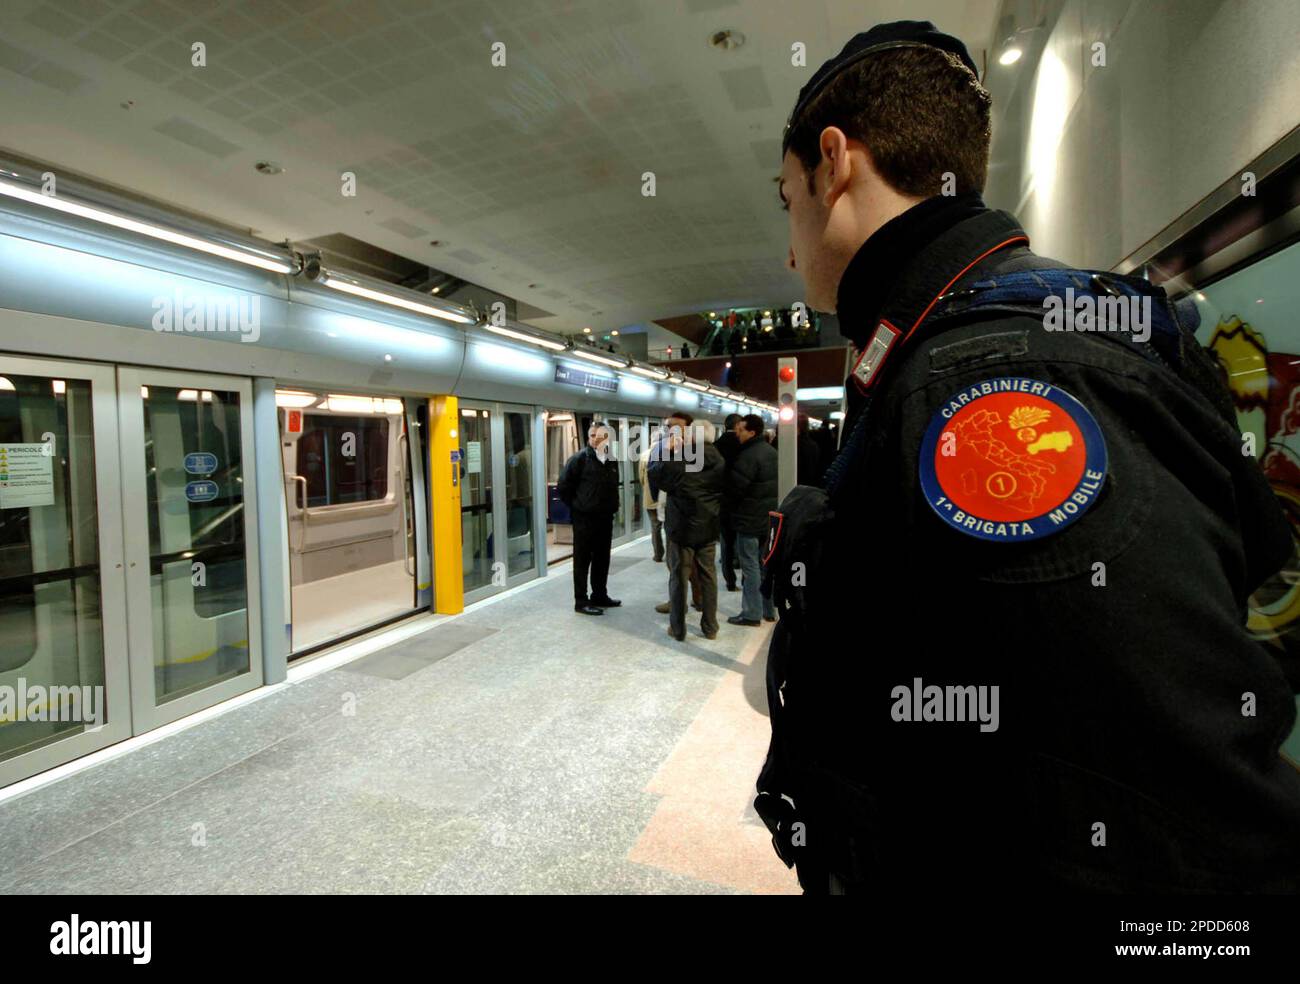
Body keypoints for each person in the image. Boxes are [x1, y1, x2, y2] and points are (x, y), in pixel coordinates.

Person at [756, 20, 1300, 894]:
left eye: (789, 200)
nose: (789, 251)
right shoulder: (962, 343)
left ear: (834, 163)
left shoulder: (1000, 380)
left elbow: (1171, 820)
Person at [648, 419, 724, 641]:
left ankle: (678, 628)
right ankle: (710, 627)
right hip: (709, 526)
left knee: (679, 577)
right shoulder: (719, 459)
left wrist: (668, 450)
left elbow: (654, 473)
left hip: (682, 529)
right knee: (708, 576)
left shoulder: (683, 458)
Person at [556, 421, 621, 616]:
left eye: (600, 436)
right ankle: (581, 601)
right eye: (592, 435)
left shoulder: (611, 459)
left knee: (602, 558)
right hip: (584, 519)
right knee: (582, 560)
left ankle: (599, 595)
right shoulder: (579, 459)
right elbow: (563, 487)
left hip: (605, 518)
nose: (595, 439)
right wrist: (578, 506)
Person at [725, 414, 777, 626]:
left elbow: (736, 488)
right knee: (765, 565)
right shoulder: (772, 452)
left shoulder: (748, 455)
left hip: (749, 519)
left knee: (750, 566)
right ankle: (768, 610)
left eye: (741, 430)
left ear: (752, 432)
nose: (737, 434)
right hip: (768, 518)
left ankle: (751, 613)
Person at [713, 413, 744, 591]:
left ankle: (729, 579)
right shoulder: (745, 446)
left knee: (726, 542)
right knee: (743, 539)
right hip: (742, 502)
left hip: (721, 501)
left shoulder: (715, 446)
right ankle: (744, 577)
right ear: (739, 426)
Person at [637, 442, 664, 563]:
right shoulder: (668, 454)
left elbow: (641, 477)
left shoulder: (644, 456)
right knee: (669, 526)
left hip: (650, 498)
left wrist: (647, 488)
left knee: (655, 527)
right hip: (666, 496)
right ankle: (671, 554)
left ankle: (658, 554)